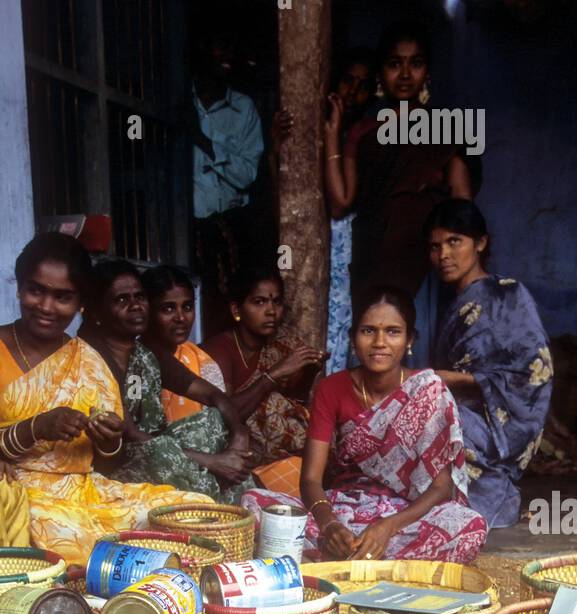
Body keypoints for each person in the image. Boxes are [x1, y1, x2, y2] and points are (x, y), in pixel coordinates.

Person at [0, 236, 207, 561]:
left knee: (190, 511)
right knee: (79, 538)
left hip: (85, 488)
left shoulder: (89, 361)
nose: (46, 306)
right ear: (19, 288)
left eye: (62, 297)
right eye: (35, 290)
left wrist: (108, 440)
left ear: (81, 303)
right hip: (14, 491)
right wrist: (35, 428)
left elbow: (108, 462)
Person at [299, 285, 487, 563]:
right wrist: (330, 526)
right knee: (258, 506)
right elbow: (311, 479)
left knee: (470, 526)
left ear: (410, 340)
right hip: (342, 506)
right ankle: (374, 561)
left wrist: (388, 527)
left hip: (405, 516)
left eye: (393, 332)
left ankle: (350, 561)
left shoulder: (427, 390)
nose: (379, 342)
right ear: (353, 338)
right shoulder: (331, 388)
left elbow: (441, 487)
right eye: (368, 331)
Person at [324, 22, 472, 367]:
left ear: (427, 72)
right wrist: (333, 135)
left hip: (426, 265)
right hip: (372, 259)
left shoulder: (448, 129)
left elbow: (462, 210)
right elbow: (340, 202)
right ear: (381, 73)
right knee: (375, 353)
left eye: (415, 63)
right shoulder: (363, 131)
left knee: (420, 353)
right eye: (394, 64)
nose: (405, 74)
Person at [427, 199, 554, 529]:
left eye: (455, 241)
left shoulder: (508, 295)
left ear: (480, 243)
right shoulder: (451, 305)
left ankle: (487, 501)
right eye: (435, 246)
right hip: (457, 414)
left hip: (494, 422)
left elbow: (534, 371)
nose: (444, 255)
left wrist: (454, 380)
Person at [79, 259, 252, 501]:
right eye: (121, 300)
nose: (136, 306)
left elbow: (214, 396)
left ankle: (242, 511)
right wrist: (213, 462)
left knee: (215, 419)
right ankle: (214, 512)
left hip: (158, 450)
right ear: (97, 310)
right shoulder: (90, 357)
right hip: (116, 465)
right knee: (163, 453)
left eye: (139, 297)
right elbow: (130, 434)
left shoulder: (144, 353)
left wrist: (239, 436)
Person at [270, 50, 374, 374]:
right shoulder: (313, 130)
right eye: (348, 81)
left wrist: (333, 136)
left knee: (341, 325)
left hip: (349, 251)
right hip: (311, 246)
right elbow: (282, 196)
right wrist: (275, 147)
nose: (352, 92)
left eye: (363, 85)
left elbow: (341, 202)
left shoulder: (367, 134)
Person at [202, 267, 326, 470]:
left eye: (276, 302)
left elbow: (295, 403)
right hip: (232, 456)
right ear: (236, 310)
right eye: (259, 302)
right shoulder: (218, 351)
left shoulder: (284, 343)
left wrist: (308, 372)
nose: (271, 311)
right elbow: (219, 418)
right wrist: (273, 375)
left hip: (283, 453)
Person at [189, 30, 265, 337]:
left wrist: (205, 142)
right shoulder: (179, 101)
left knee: (226, 313)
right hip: (185, 228)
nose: (228, 55)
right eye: (221, 45)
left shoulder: (244, 109)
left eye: (232, 48)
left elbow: (247, 175)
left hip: (227, 229)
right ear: (201, 50)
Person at [142, 264, 225, 422]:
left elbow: (219, 420)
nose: (181, 318)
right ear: (147, 310)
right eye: (168, 309)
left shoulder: (201, 361)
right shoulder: (132, 358)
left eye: (187, 307)